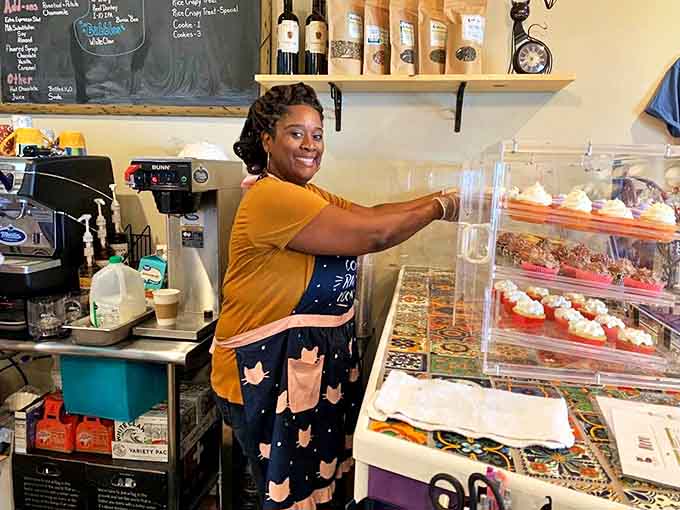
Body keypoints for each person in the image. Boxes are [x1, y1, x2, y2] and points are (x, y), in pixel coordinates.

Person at [211, 83, 459, 510]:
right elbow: (375, 234)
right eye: (296, 134)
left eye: (318, 134)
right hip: (261, 375)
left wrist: (449, 197)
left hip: (300, 369)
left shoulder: (305, 194)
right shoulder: (270, 196)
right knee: (285, 497)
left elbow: (372, 214)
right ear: (267, 140)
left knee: (313, 493)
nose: (311, 145)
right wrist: (441, 208)